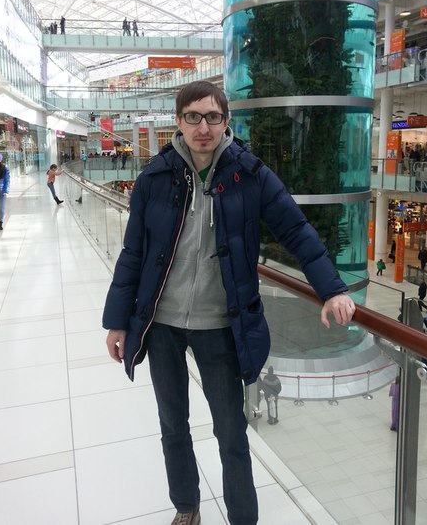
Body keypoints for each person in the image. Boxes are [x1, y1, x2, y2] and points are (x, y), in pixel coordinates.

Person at [102, 80, 356, 525]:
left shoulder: (249, 175)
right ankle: (186, 506)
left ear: (225, 121)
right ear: (178, 121)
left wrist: (331, 288)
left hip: (220, 325)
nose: (204, 127)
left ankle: (243, 518)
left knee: (231, 432)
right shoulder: (154, 178)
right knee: (172, 425)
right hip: (161, 324)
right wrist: (117, 321)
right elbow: (133, 253)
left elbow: (295, 230)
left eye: (213, 117)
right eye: (193, 117)